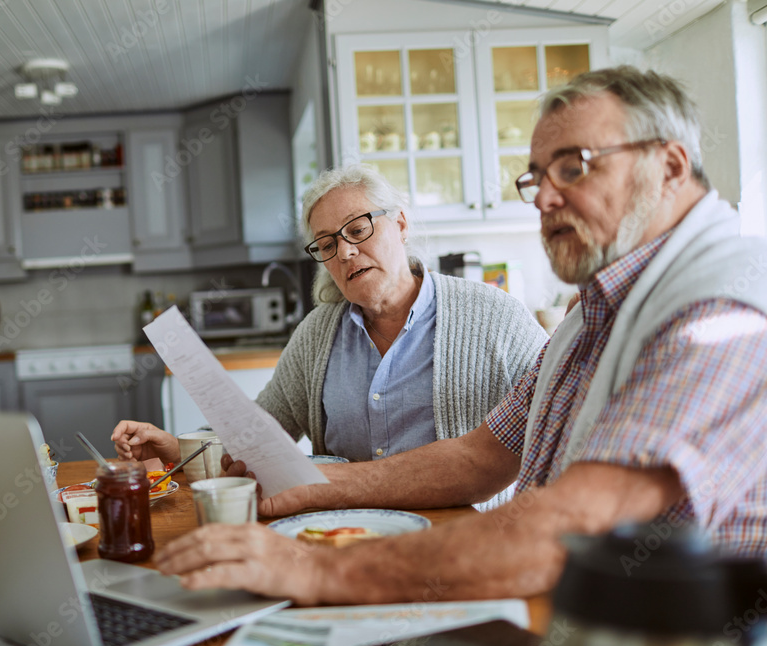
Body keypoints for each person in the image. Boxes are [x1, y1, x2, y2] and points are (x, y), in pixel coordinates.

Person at [154, 66, 767, 606]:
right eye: (537, 177)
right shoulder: (593, 316)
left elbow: (567, 532)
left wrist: (316, 570)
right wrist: (310, 487)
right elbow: (479, 457)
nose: (546, 198)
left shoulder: (723, 311)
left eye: (574, 166)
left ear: (670, 166)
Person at [112, 163, 548, 509]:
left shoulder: (495, 316)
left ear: (400, 224)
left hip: (457, 542)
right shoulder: (318, 334)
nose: (345, 253)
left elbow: (556, 426)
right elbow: (259, 433)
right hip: (342, 536)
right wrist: (175, 447)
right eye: (326, 244)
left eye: (358, 230)